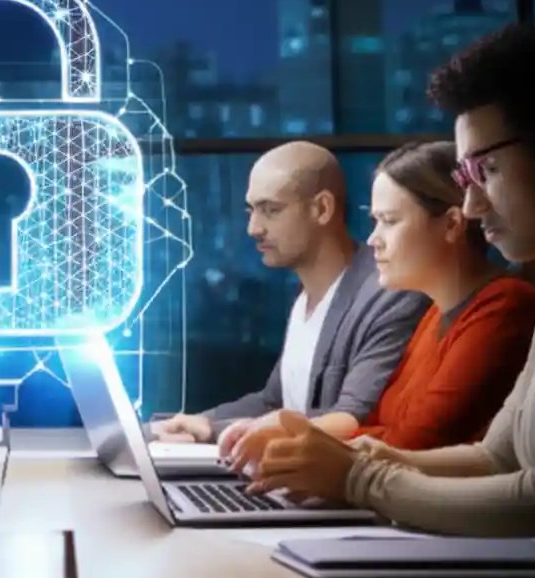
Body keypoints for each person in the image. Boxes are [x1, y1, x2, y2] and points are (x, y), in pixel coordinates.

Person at [251, 23, 535, 578]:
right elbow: (497, 458)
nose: (473, 205)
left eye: (488, 170)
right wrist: (347, 461)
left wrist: (356, 479)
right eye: (464, 175)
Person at [152, 142, 429, 464]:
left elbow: (352, 417)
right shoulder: (305, 299)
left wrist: (223, 431)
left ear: (322, 209)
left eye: (271, 210)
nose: (253, 228)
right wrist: (205, 423)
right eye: (251, 210)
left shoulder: (388, 295)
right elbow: (275, 402)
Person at [330, 141, 535, 449]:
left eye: (389, 221)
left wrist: (309, 446)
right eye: (375, 221)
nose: (373, 239)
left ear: (452, 224)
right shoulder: (437, 312)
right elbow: (380, 425)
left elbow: (416, 443)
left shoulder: (505, 308)